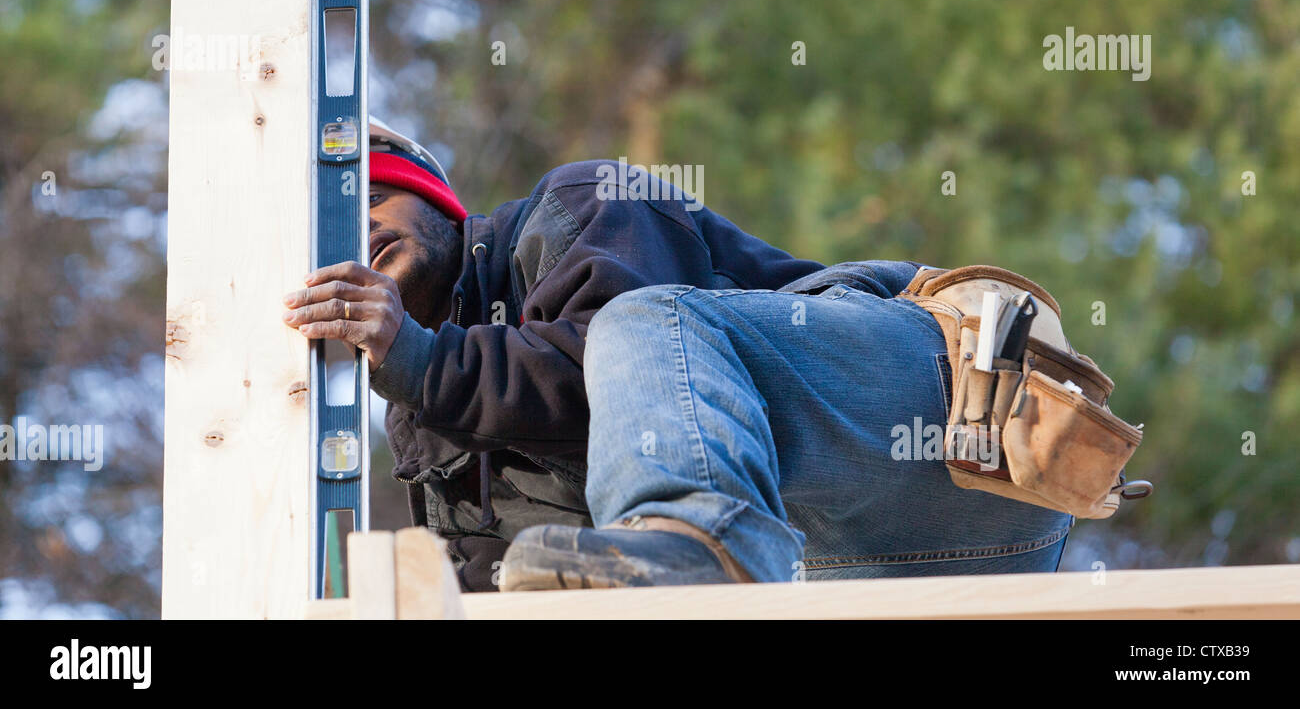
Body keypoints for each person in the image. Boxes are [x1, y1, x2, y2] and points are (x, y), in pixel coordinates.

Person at [282, 121, 1072, 591]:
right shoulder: (443, 439)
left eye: (374, 198)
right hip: (880, 568)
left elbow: (594, 379)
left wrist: (419, 362)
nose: (363, 235)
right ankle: (703, 554)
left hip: (962, 435)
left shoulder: (578, 204)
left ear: (437, 198)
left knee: (638, 323)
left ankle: (701, 540)